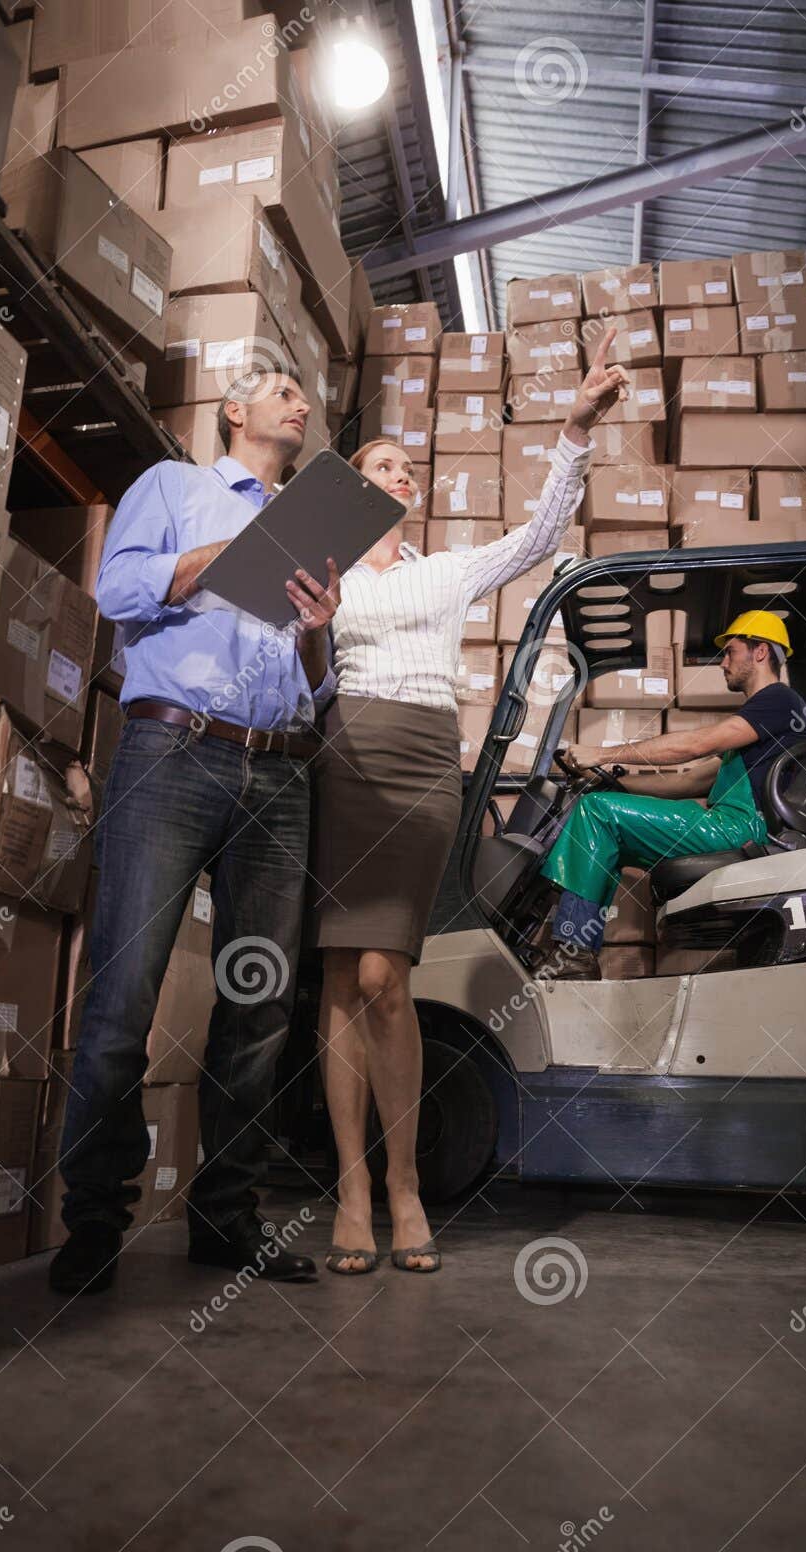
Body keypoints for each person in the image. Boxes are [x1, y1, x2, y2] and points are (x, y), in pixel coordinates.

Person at [310, 324, 630, 1276]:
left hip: (418, 761)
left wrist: (572, 430)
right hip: (342, 755)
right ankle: (353, 1191)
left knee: (385, 977)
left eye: (405, 466)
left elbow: (538, 539)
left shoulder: (447, 572)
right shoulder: (315, 574)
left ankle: (406, 1185)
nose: (397, 472)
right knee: (336, 976)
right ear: (347, 488)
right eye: (377, 463)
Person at [50, 364, 342, 1297]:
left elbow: (314, 684)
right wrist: (222, 554)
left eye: (305, 398)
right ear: (234, 410)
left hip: (280, 767)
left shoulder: (315, 521)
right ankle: (94, 1223)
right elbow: (119, 593)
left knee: (258, 1011)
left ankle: (227, 1221)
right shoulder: (176, 487)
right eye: (281, 390)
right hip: (174, 753)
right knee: (123, 998)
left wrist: (317, 628)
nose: (299, 405)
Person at [528, 610, 806, 980]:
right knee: (606, 830)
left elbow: (693, 746)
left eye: (731, 651)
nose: (723, 663)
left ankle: (574, 953)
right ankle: (574, 951)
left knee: (596, 813)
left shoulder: (779, 701)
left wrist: (602, 754)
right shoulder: (760, 725)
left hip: (741, 830)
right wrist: (618, 783)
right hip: (734, 827)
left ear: (760, 653)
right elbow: (689, 781)